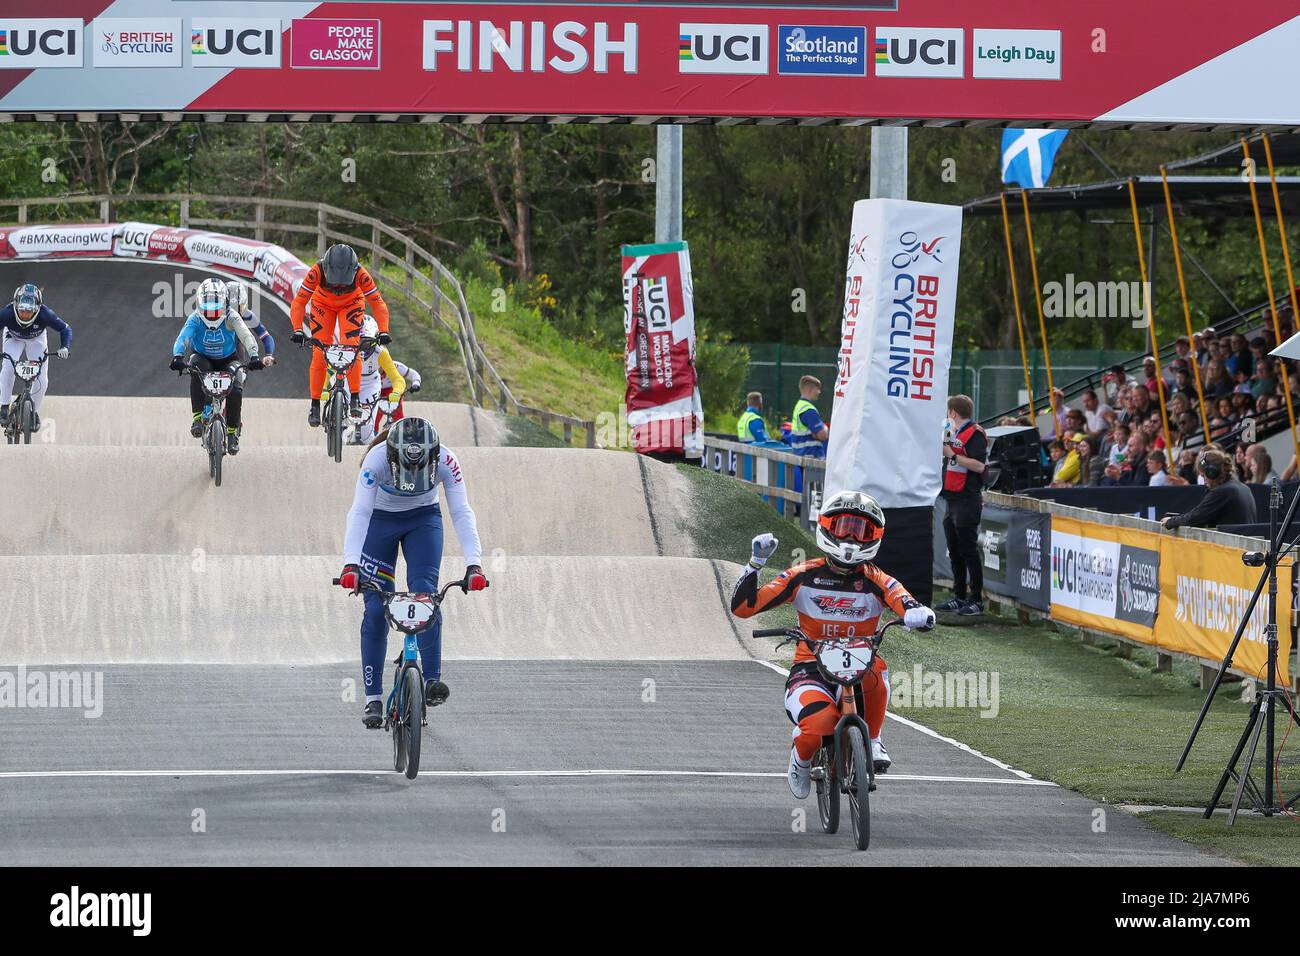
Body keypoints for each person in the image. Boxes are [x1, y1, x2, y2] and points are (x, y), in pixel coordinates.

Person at [728, 491, 935, 798]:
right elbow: (743, 608)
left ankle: (874, 741)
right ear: (825, 527)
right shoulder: (801, 575)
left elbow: (903, 599)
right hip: (810, 671)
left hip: (860, 664)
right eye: (842, 528)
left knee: (878, 672)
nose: (851, 537)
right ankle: (800, 761)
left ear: (875, 537)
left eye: (861, 530)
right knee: (818, 725)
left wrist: (919, 613)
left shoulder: (877, 579)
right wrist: (756, 564)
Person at [338, 417, 488, 727]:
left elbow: (461, 511)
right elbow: (360, 512)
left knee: (426, 596)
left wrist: (475, 563)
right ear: (392, 457)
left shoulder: (447, 459)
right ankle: (373, 699)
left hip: (423, 520)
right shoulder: (375, 459)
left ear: (434, 458)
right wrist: (351, 564)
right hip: (379, 521)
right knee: (377, 609)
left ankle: (432, 680)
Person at [290, 243, 391, 428]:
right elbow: (299, 302)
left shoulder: (362, 274)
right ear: (326, 268)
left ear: (353, 272)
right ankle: (314, 404)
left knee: (352, 347)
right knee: (319, 351)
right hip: (322, 304)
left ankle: (354, 398)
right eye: (334, 281)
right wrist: (297, 329)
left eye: (342, 282)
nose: (337, 286)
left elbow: (378, 304)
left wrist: (384, 330)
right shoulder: (317, 271)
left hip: (351, 304)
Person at [169, 278, 263, 454]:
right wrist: (177, 356)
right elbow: (183, 338)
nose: (211, 314)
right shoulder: (195, 318)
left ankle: (233, 432)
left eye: (216, 309)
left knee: (236, 388)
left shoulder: (232, 316)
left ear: (226, 304)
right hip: (203, 358)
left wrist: (254, 355)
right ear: (199, 305)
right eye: (207, 309)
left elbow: (246, 335)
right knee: (195, 368)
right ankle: (197, 417)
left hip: (229, 359)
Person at [937, 395, 988, 616]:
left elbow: (979, 466)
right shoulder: (952, 431)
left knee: (968, 550)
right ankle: (959, 596)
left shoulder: (975, 433)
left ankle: (976, 600)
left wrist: (953, 456)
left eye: (948, 412)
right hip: (952, 498)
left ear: (953, 412)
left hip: (967, 499)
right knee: (955, 550)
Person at [0, 283, 71, 432]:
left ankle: (32, 412)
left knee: (42, 381)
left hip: (36, 340)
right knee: (8, 367)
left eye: (29, 312)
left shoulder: (46, 314)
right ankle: (4, 406)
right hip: (13, 338)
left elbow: (65, 328)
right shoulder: (6, 314)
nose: (25, 315)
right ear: (15, 305)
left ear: (38, 309)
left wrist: (65, 347)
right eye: (22, 311)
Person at [351, 316, 412, 445]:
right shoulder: (346, 348)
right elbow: (330, 369)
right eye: (359, 342)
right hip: (348, 379)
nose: (362, 348)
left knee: (367, 436)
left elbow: (397, 378)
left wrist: (396, 392)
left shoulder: (381, 353)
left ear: (376, 341)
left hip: (370, 383)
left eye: (367, 343)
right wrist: (324, 388)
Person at [1162, 448, 1257, 529]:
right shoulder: (1242, 487)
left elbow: (1195, 517)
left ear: (1212, 473)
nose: (1204, 481)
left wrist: (1171, 521)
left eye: (1203, 476)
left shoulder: (1223, 491)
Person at [225, 280, 277, 368]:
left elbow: (266, 337)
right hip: (211, 348)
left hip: (234, 349)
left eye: (237, 308)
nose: (233, 313)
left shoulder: (247, 315)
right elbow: (265, 336)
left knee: (240, 368)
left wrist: (269, 354)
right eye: (230, 308)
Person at [788, 375, 829, 458]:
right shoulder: (808, 410)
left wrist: (816, 433)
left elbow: (816, 434)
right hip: (811, 458)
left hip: (800, 456)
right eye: (817, 389)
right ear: (809, 390)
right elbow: (823, 435)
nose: (819, 392)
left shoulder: (799, 406)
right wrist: (824, 427)